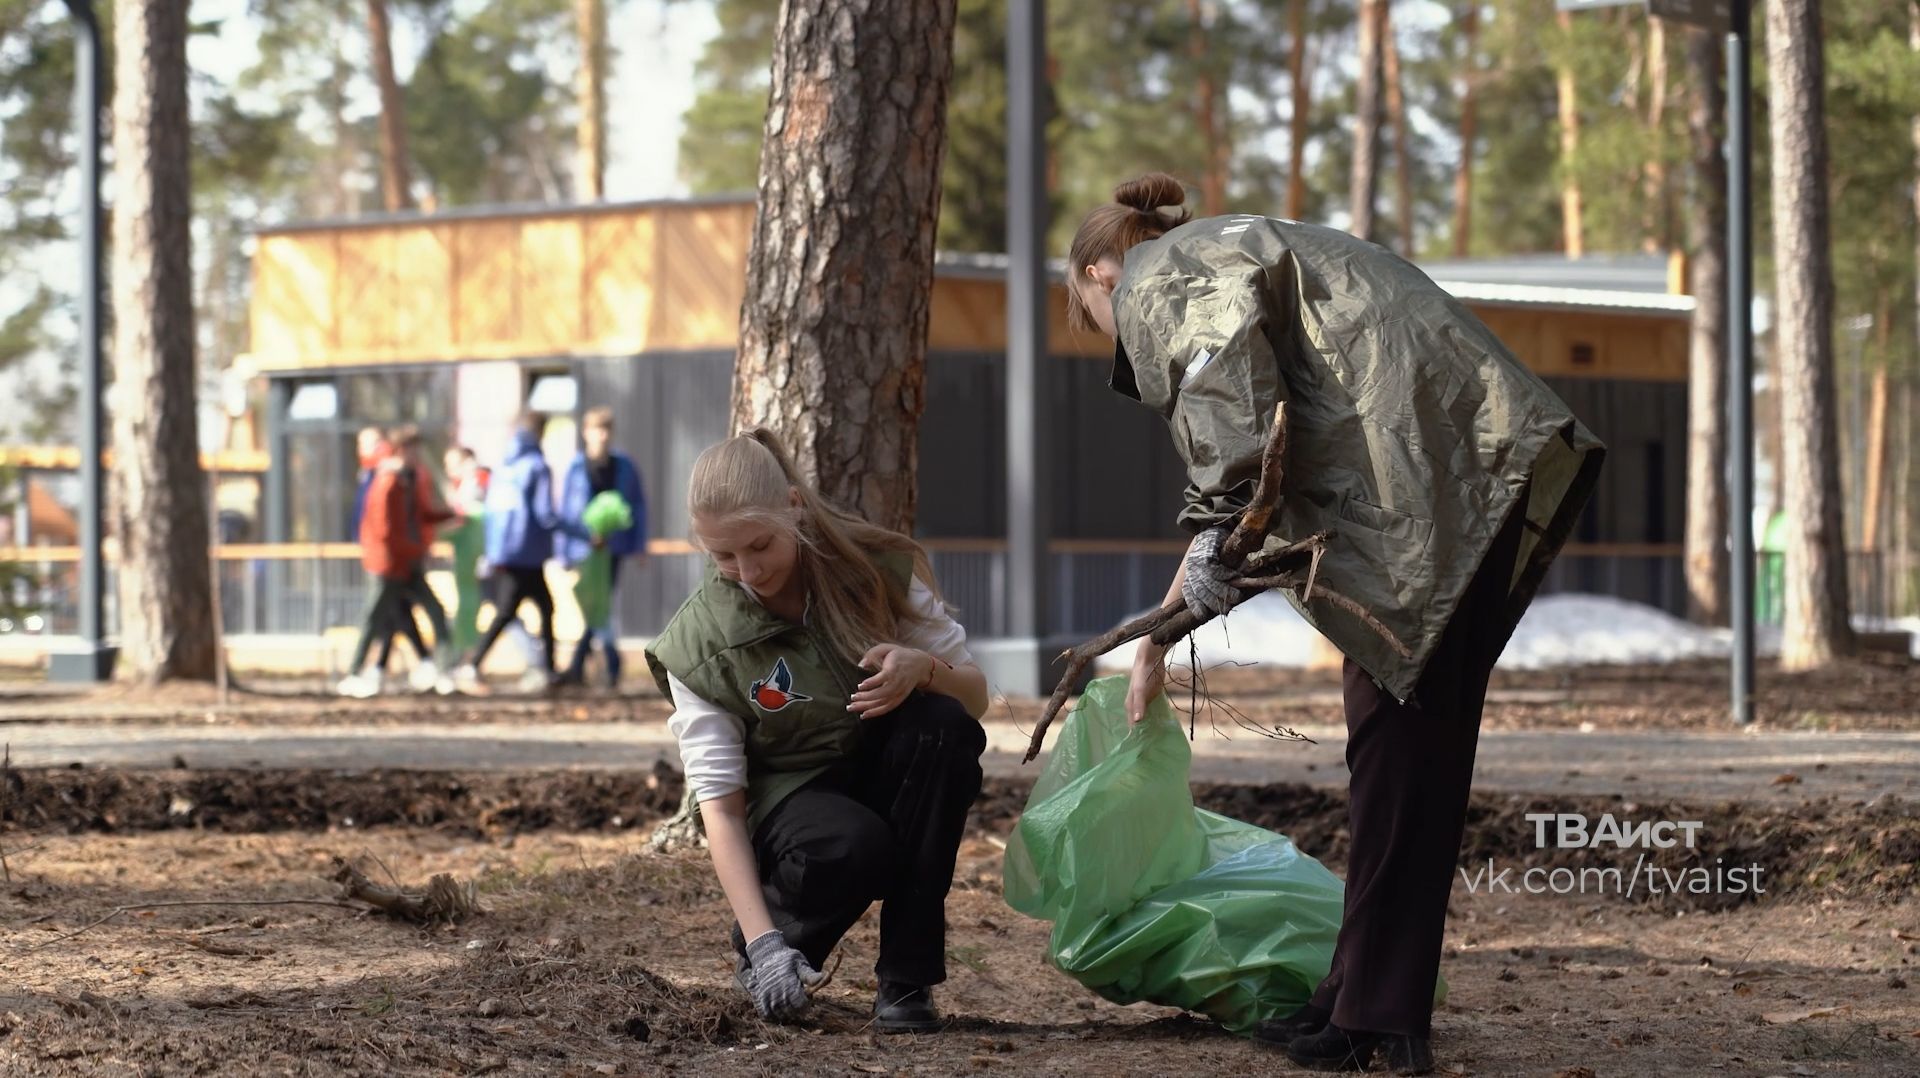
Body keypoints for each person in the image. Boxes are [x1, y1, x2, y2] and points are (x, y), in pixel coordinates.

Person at [1064, 175, 1604, 1075]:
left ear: (1097, 272)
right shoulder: (1232, 247)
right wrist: (1165, 630)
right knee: (1397, 757)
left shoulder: (1163, 272)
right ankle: (1353, 1000)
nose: (1111, 334)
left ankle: (1381, 1019)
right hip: (1457, 469)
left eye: (1093, 316)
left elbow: (1225, 396)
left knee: (1401, 761)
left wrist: (1206, 549)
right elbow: (1260, 450)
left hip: (1435, 489)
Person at [644, 429, 989, 1033]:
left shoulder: (874, 569)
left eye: (760, 545)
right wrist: (763, 944)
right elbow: (721, 809)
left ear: (794, 510)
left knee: (943, 728)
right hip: (792, 802)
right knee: (853, 844)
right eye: (724, 556)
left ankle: (906, 984)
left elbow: (976, 698)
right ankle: (776, 946)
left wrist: (924, 670)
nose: (748, 571)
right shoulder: (699, 644)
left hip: (877, 762)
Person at [457, 412, 578, 693]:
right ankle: (473, 665)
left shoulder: (504, 467)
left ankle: (547, 670)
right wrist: (582, 533)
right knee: (508, 612)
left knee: (540, 608)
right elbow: (546, 514)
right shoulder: (537, 466)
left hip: (505, 552)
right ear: (539, 433)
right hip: (528, 552)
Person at [340, 426, 460, 697]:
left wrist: (448, 515)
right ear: (401, 450)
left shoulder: (410, 479)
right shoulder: (388, 482)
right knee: (375, 618)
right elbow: (385, 531)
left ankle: (442, 670)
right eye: (413, 449)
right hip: (388, 565)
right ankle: (353, 672)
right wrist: (416, 549)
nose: (418, 454)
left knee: (434, 611)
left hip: (408, 562)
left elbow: (419, 515)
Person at [557, 406, 649, 688]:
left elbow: (636, 506)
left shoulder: (623, 465)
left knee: (601, 604)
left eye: (606, 430)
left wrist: (638, 545)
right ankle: (605, 662)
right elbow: (567, 511)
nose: (602, 436)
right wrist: (567, 549)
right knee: (592, 605)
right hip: (585, 548)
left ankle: (588, 666)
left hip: (612, 548)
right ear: (586, 433)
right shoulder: (575, 467)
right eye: (597, 430)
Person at [443, 447, 489, 657]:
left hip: (479, 562)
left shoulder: (476, 487)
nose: (447, 469)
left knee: (501, 610)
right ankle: (463, 659)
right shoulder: (467, 487)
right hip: (470, 561)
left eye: (451, 464)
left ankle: (465, 660)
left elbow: (467, 522)